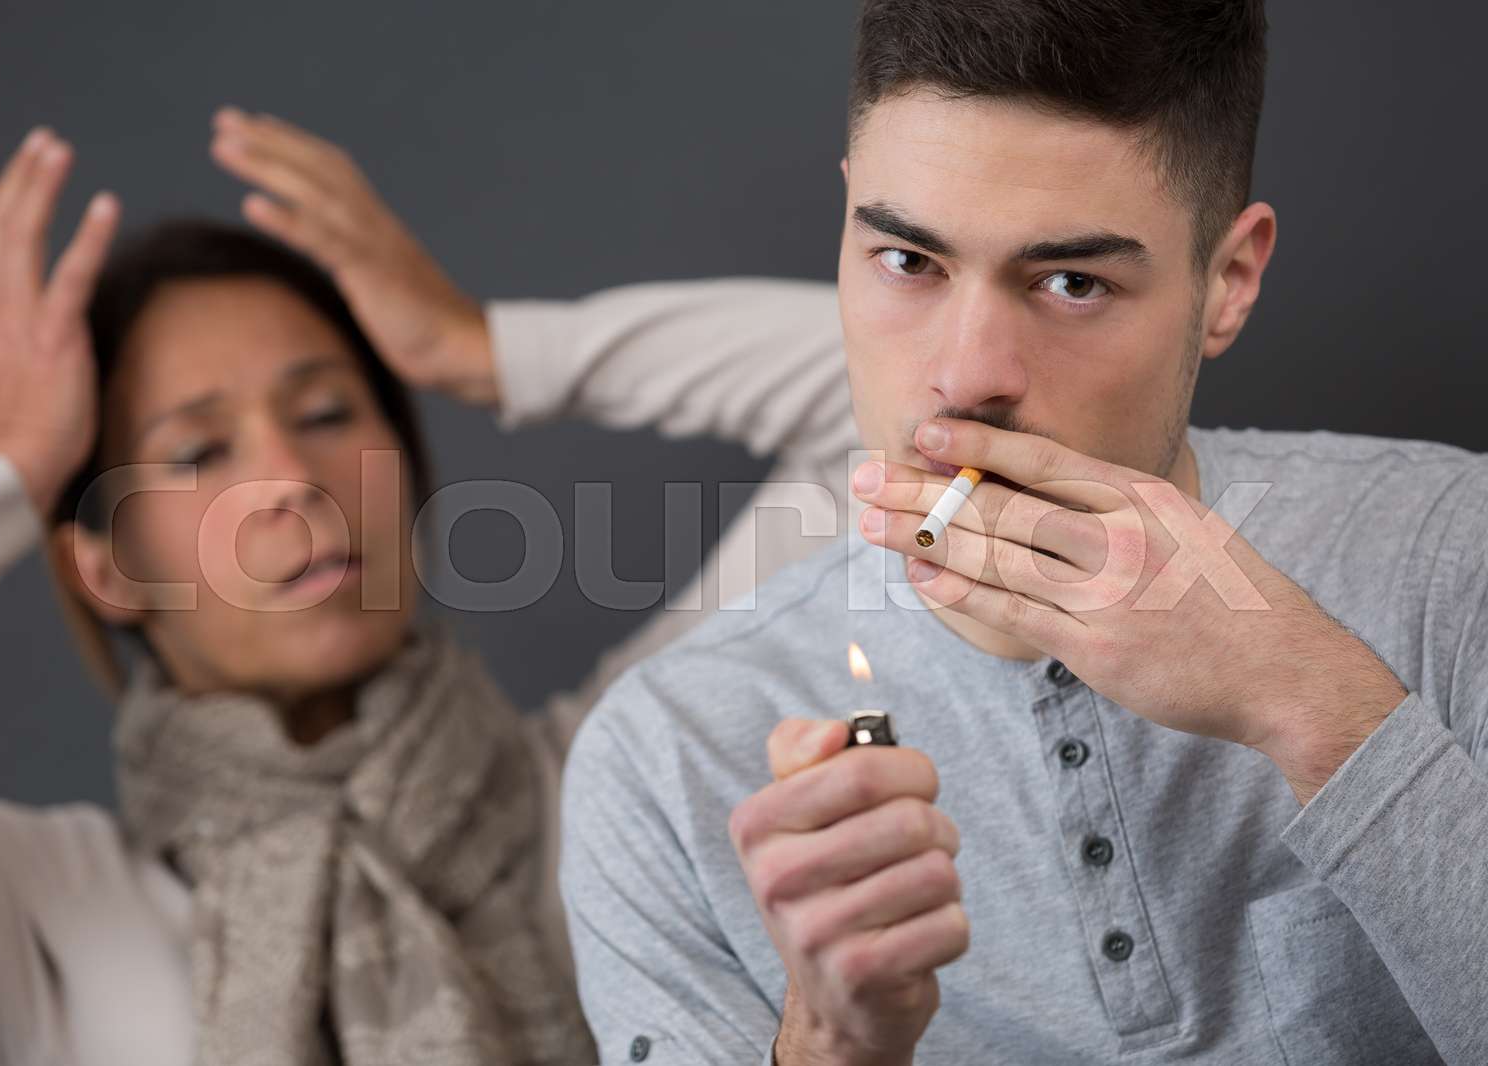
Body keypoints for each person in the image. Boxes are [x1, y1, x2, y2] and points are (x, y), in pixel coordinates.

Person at [559, 1, 1488, 1063]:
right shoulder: (663, 760)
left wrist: (1312, 707)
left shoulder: (1458, 562)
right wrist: (830, 1041)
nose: (967, 376)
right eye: (908, 260)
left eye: (1071, 282)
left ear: (1227, 282)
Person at [0, 112, 849, 1066]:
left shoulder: (613, 776)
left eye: (325, 411)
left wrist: (483, 348)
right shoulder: (40, 921)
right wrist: (8, 476)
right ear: (106, 567)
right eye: (198, 450)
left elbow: (886, 408)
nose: (291, 478)